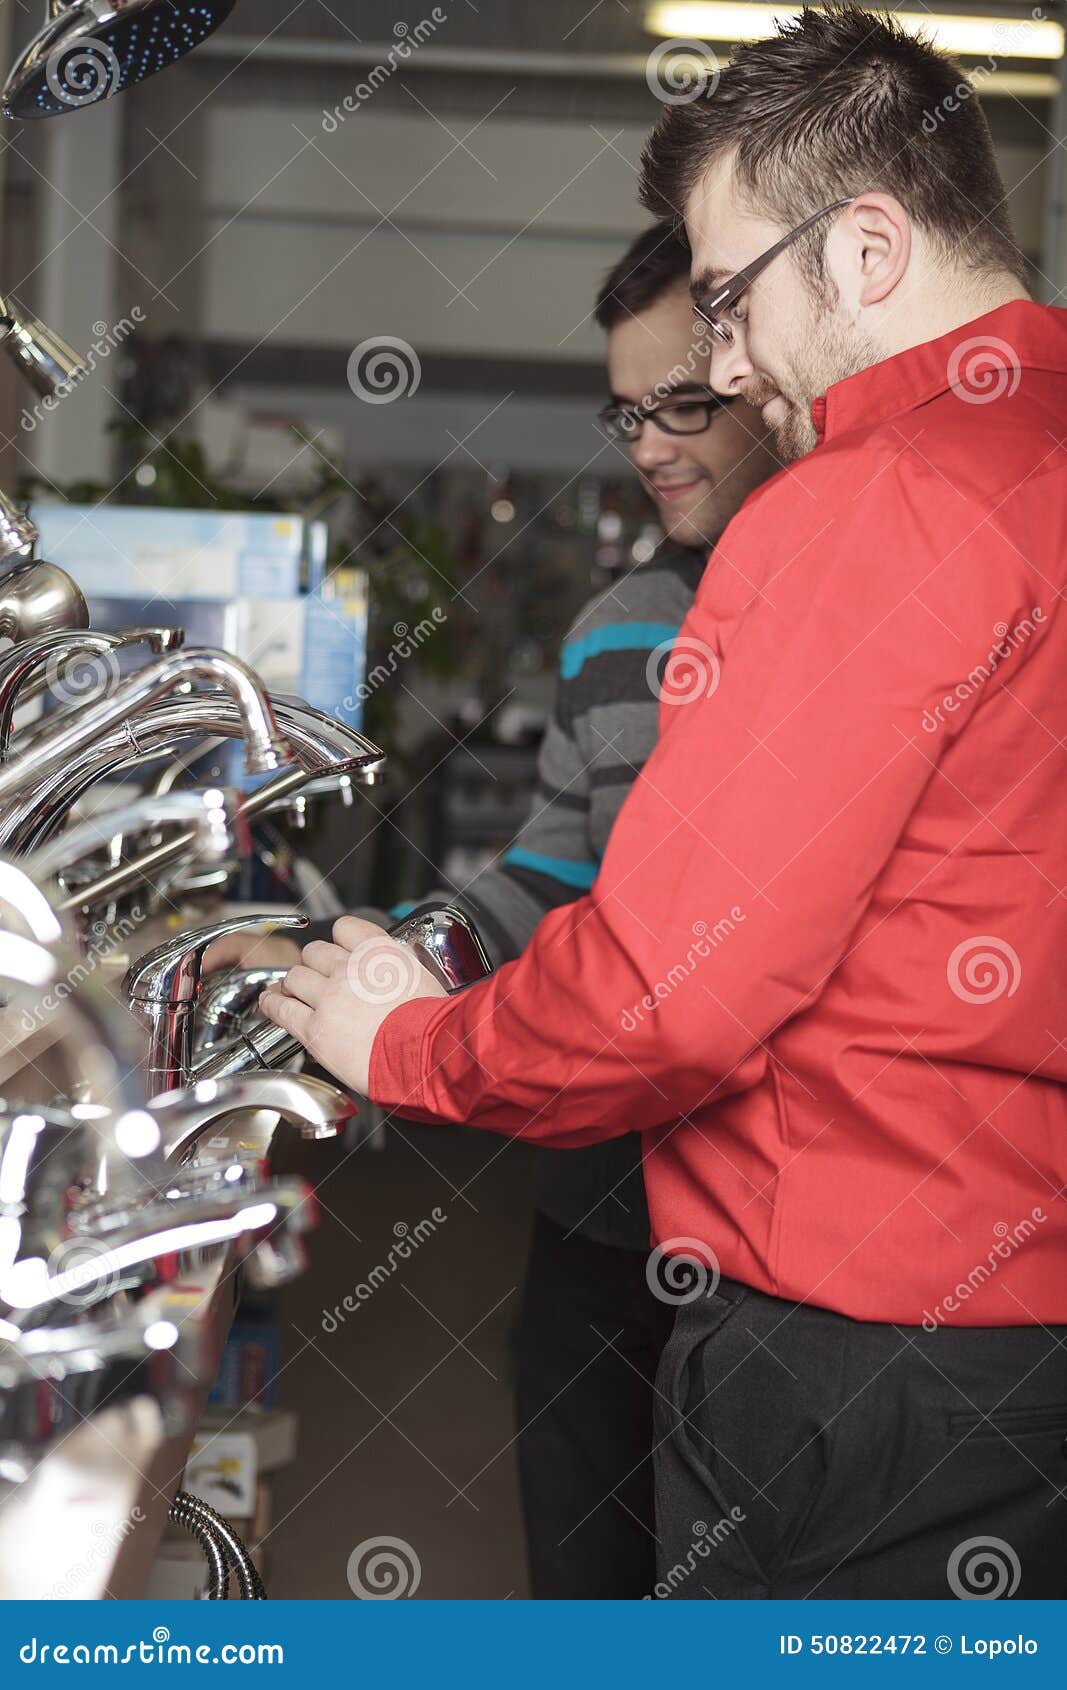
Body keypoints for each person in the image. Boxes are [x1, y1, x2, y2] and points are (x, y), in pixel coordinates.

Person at [260, 4, 1067, 1597]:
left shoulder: (868, 501)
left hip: (861, 1369)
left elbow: (673, 993)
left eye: (730, 301)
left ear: (871, 247)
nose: (726, 365)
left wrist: (407, 1042)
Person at [209, 226, 776, 1597]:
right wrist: (352, 959)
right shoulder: (616, 626)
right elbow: (548, 875)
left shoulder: (841, 617)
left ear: (769, 377)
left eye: (683, 406)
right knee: (584, 1578)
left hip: (771, 1252)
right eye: (627, 413)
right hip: (600, 1219)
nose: (649, 448)